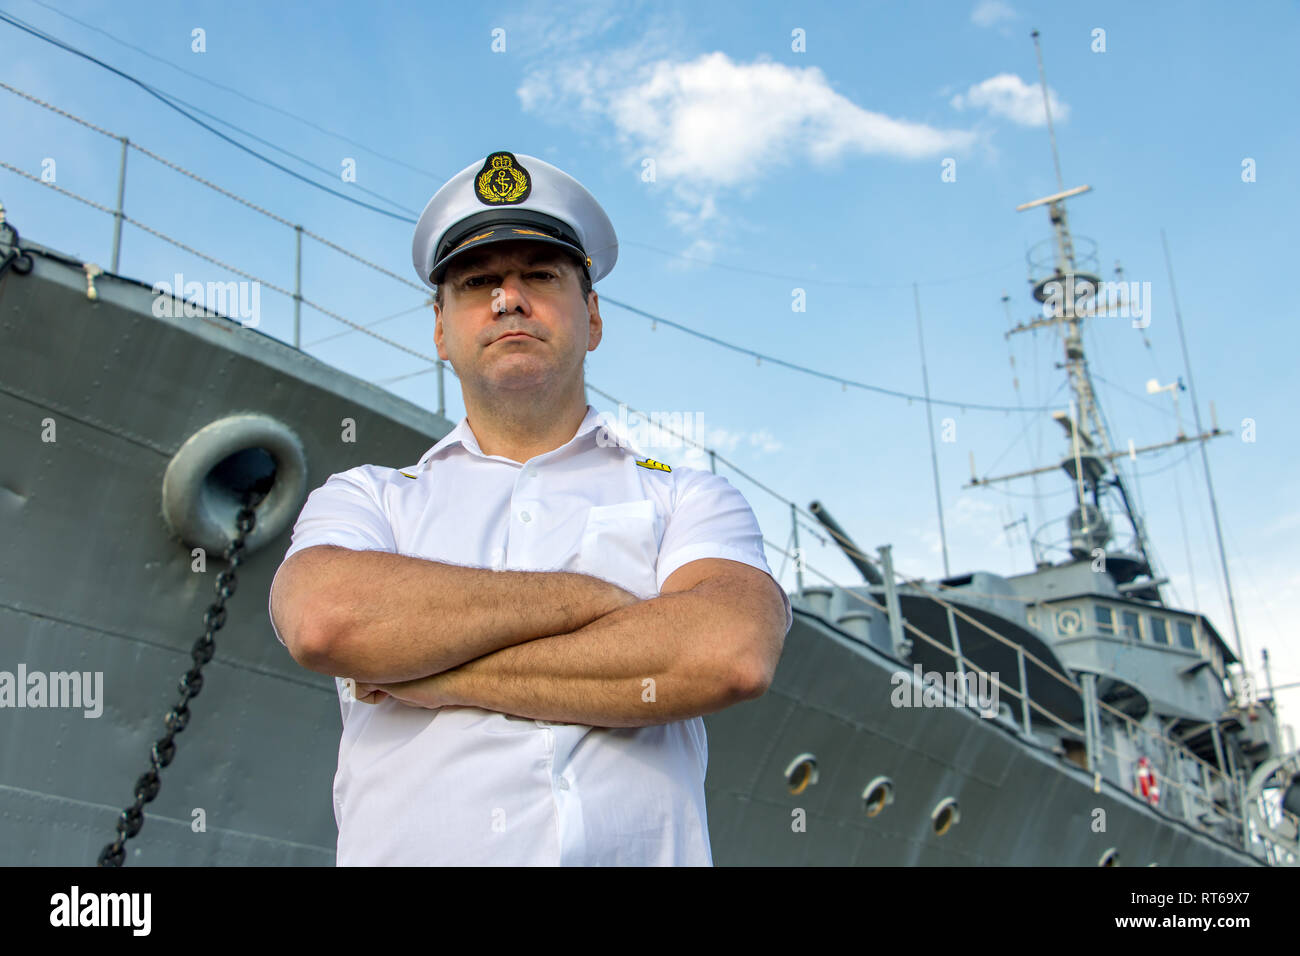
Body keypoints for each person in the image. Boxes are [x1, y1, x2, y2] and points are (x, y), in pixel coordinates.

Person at [268, 149, 792, 866]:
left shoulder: (687, 494)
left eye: (540, 276)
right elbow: (325, 620)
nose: (508, 299)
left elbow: (726, 653)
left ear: (594, 316)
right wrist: (598, 601)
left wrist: (418, 670)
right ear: (440, 331)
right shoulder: (368, 496)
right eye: (477, 282)